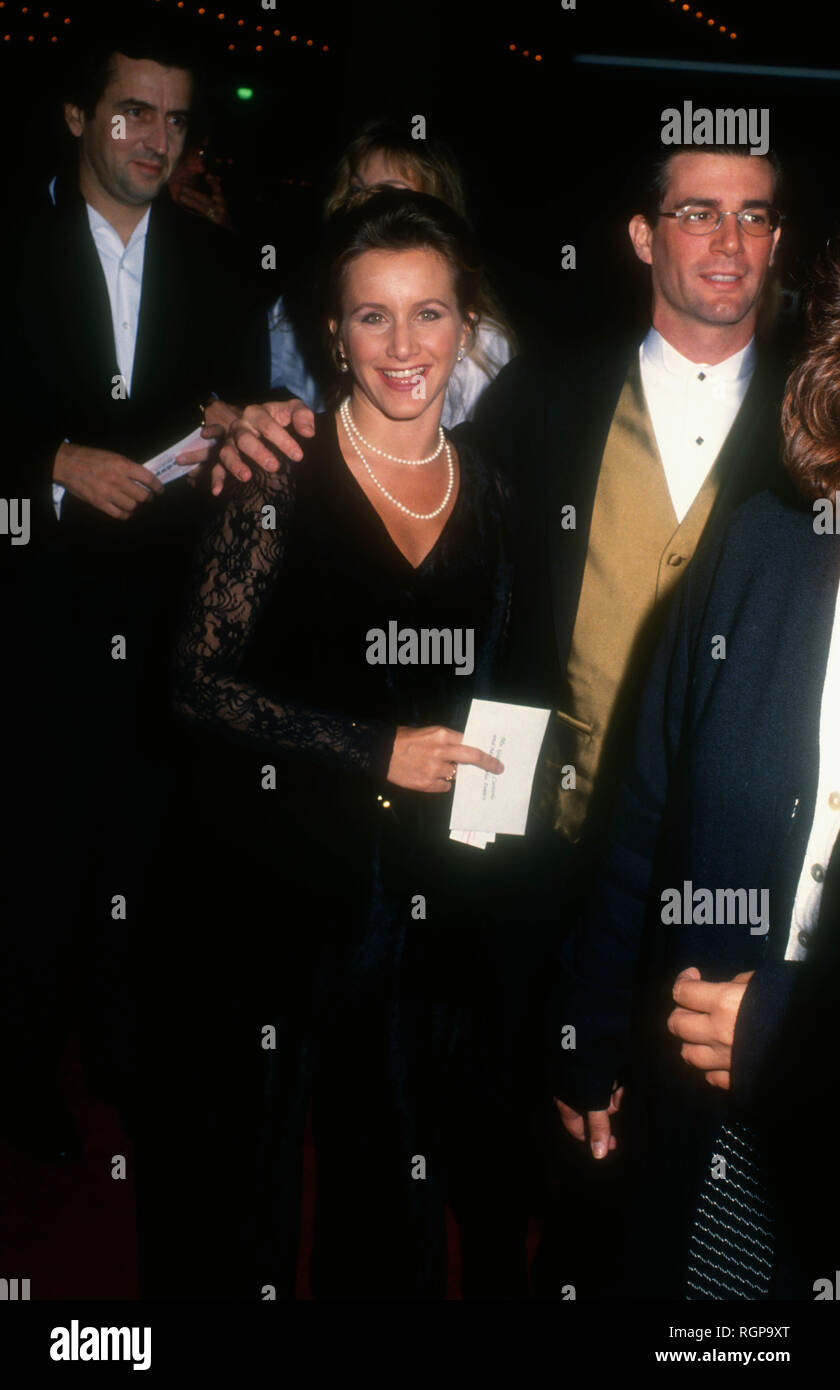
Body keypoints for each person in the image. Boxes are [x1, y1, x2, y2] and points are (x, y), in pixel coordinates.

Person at [210, 140, 796, 1296]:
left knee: (672, 1190)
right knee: (489, 1138)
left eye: (756, 218)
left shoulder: (813, 423)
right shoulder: (551, 394)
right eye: (697, 214)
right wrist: (268, 433)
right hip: (524, 849)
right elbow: (408, 481)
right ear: (642, 235)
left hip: (722, 887)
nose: (729, 246)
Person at [136, 189, 530, 1300]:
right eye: (373, 317)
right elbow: (196, 683)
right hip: (264, 890)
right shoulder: (272, 480)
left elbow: (498, 689)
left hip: (410, 918)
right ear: (332, 333)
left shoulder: (498, 494)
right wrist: (373, 748)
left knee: (391, 1188)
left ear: (468, 327)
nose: (405, 347)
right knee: (243, 1192)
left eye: (430, 314)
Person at [0, 13, 268, 1160]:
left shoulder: (216, 264)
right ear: (76, 115)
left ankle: (120, 1054)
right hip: (31, 611)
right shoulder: (7, 248)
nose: (159, 139)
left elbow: (245, 422)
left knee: (140, 855)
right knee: (32, 859)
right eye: (132, 111)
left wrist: (234, 430)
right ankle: (19, 1079)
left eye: (175, 117)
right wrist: (52, 466)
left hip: (161, 621)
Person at [551, 240, 840, 1298]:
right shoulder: (762, 544)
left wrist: (795, 1029)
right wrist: (588, 1042)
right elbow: (645, 815)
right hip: (705, 1138)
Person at [268, 118, 514, 428]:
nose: (363, 205)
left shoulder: (483, 346)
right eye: (356, 190)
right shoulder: (295, 310)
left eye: (389, 193)